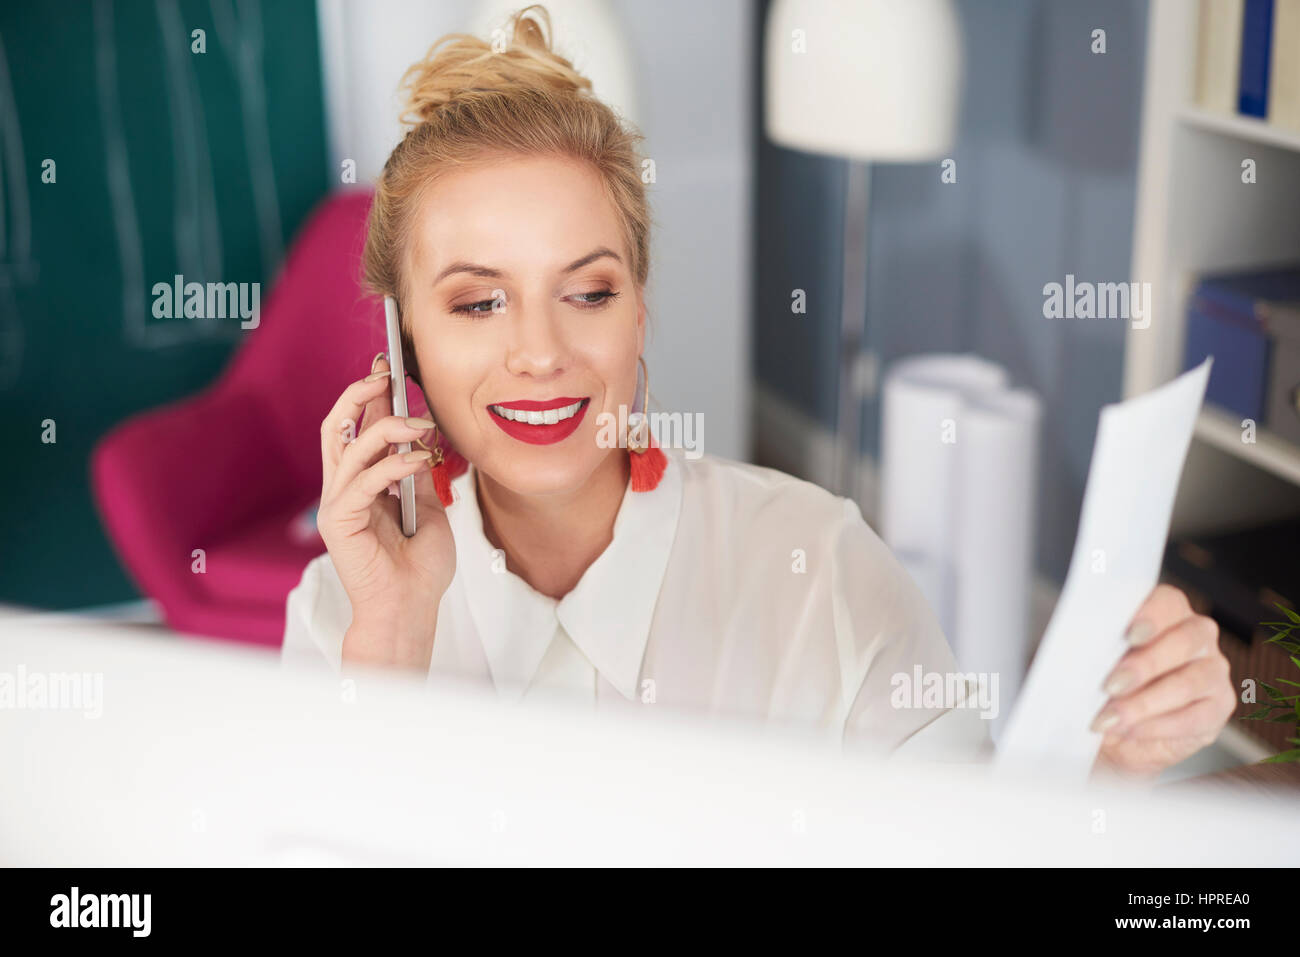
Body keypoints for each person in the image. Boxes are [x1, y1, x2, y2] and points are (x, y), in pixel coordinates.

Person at [281, 5, 1235, 776]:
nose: (540, 351)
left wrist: (1110, 760)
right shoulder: (345, 614)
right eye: (479, 302)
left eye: (588, 291)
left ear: (640, 314)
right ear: (404, 345)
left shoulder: (822, 569)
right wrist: (393, 647)